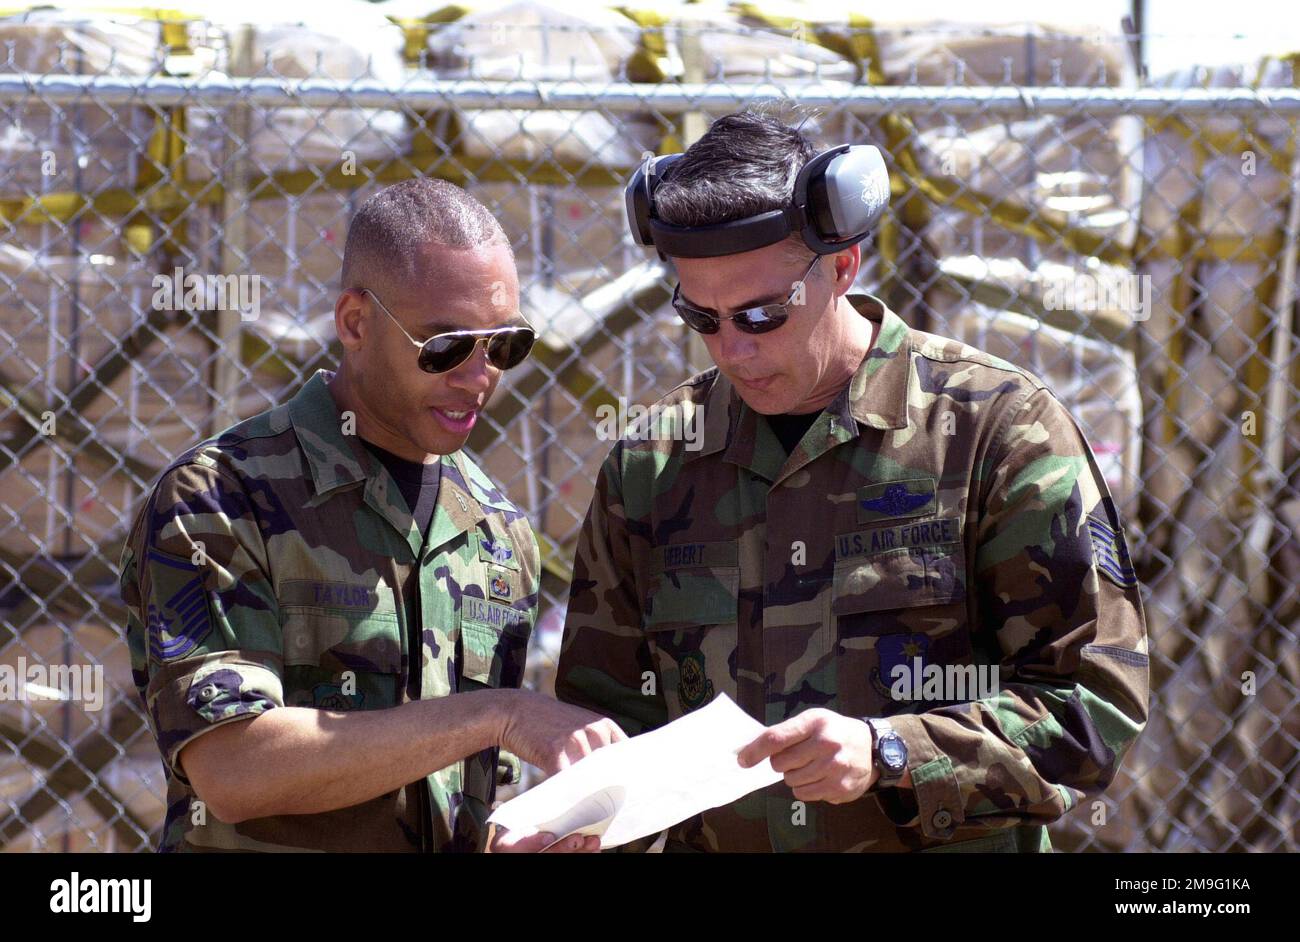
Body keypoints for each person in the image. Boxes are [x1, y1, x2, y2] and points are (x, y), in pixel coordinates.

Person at [555, 110, 1150, 852]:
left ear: (843, 266)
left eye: (764, 314)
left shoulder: (997, 432)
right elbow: (605, 717)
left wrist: (892, 753)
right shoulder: (652, 466)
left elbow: (1095, 706)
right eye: (699, 316)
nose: (733, 349)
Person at [119, 178, 622, 853]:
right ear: (356, 322)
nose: (479, 377)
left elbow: (455, 793)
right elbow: (235, 768)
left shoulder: (498, 534)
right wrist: (499, 713)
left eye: (503, 347)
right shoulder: (222, 497)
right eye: (446, 345)